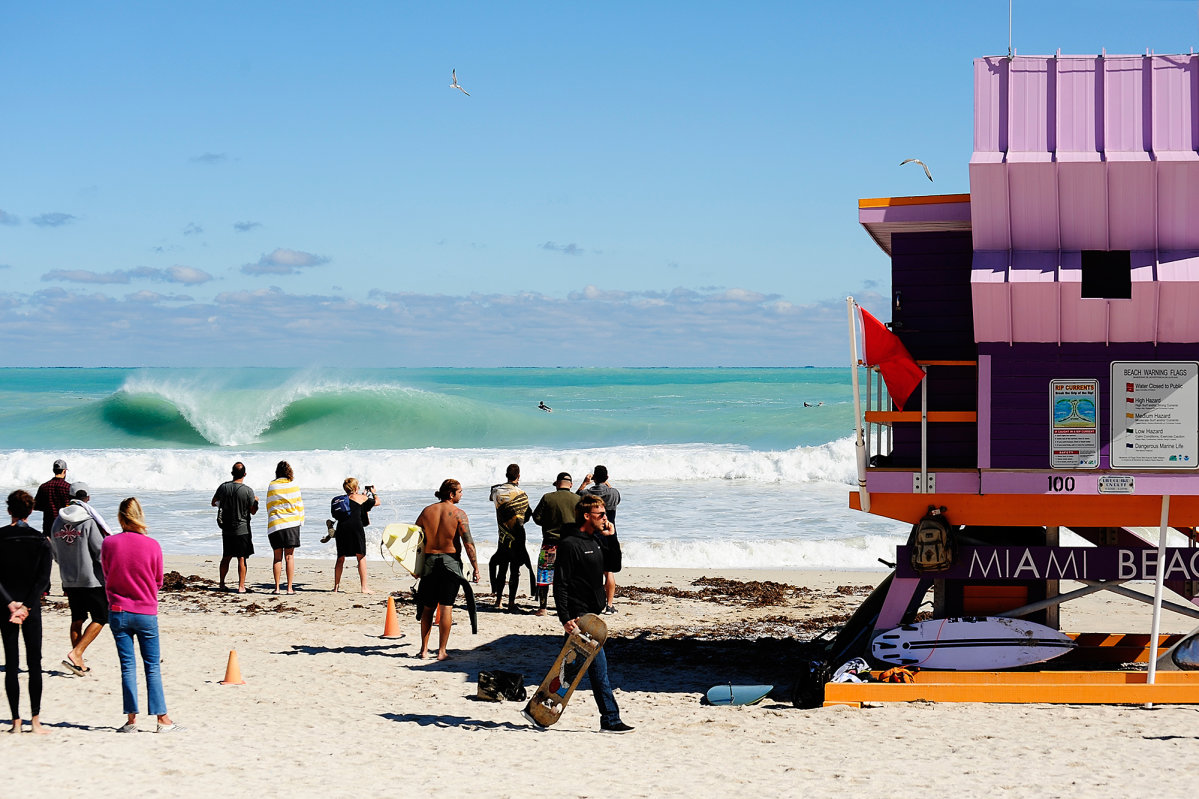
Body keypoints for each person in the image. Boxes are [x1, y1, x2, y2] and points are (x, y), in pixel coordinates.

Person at [550, 494, 633, 733]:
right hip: (579, 618)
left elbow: (614, 565)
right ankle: (610, 718)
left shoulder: (596, 540)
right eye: (601, 515)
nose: (605, 518)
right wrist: (565, 617)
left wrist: (612, 536)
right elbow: (561, 583)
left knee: (568, 670)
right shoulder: (570, 544)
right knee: (598, 669)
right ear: (587, 516)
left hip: (591, 616)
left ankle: (540, 710)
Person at [101, 497, 180, 733]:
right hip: (145, 611)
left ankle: (132, 720)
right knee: (152, 666)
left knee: (127, 666)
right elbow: (158, 581)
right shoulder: (153, 545)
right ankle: (162, 719)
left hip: (118, 610)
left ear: (121, 517)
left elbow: (106, 573)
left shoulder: (109, 543)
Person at [0, 490, 53, 734]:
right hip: (31, 609)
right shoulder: (41, 540)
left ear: (9, 510)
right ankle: (36, 721)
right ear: (31, 511)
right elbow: (43, 581)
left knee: (11, 663)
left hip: (5, 607)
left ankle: (15, 723)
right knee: (34, 663)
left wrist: (11, 603)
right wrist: (27, 606)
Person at [415, 479, 478, 660]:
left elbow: (415, 540)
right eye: (460, 491)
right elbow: (468, 543)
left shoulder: (426, 512)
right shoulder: (459, 514)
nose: (461, 494)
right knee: (446, 607)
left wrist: (414, 566)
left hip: (429, 564)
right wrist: (475, 568)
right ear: (451, 494)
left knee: (427, 608)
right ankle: (442, 651)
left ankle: (424, 650)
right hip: (449, 564)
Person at [49, 482, 108, 676]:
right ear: (88, 498)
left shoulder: (57, 521)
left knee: (77, 619)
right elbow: (100, 552)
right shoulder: (88, 520)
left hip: (68, 578)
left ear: (69, 497)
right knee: (101, 616)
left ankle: (78, 663)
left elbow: (55, 553)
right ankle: (77, 652)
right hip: (90, 578)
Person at [531, 472, 580, 616]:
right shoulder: (578, 499)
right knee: (570, 577)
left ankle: (543, 608)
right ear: (570, 485)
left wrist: (548, 522)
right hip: (570, 545)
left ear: (557, 484)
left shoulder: (548, 497)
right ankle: (568, 608)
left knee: (544, 575)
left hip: (550, 543)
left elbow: (536, 518)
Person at [577, 465, 622, 615]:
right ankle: (609, 605)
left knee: (589, 571)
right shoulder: (613, 493)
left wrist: (585, 482)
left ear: (594, 478)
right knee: (608, 572)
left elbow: (577, 498)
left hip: (592, 536)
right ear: (607, 477)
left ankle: (591, 603)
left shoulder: (587, 493)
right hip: (610, 535)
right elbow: (616, 495)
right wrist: (607, 483)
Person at [488, 464, 533, 612]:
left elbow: (491, 495)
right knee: (514, 570)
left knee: (502, 569)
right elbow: (526, 517)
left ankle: (498, 601)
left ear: (506, 474)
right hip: (517, 538)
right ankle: (511, 603)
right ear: (518, 476)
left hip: (502, 537)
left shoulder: (496, 492)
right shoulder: (522, 494)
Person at [211, 461, 259, 593]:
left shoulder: (223, 487)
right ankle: (241, 586)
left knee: (226, 556)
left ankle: (221, 584)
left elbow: (213, 502)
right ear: (245, 474)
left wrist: (224, 505)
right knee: (241, 558)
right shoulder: (248, 491)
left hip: (226, 528)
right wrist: (256, 501)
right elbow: (253, 511)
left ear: (232, 473)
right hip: (242, 529)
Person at [331, 478, 378, 594]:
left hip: (342, 528)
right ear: (356, 488)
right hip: (356, 528)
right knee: (360, 556)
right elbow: (377, 502)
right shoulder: (361, 498)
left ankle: (336, 587)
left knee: (340, 558)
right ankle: (364, 588)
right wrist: (374, 492)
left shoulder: (340, 500)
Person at [265, 461, 304, 595]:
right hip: (292, 524)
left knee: (277, 558)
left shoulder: (272, 485)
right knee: (289, 557)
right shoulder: (294, 485)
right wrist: (300, 521)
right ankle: (289, 588)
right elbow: (299, 505)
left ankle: (276, 588)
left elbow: (269, 505)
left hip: (276, 524)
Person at [34, 458, 71, 539]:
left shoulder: (44, 486)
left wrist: (48, 506)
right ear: (64, 471)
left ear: (54, 470)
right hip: (65, 527)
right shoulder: (68, 487)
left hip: (48, 527)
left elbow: (36, 506)